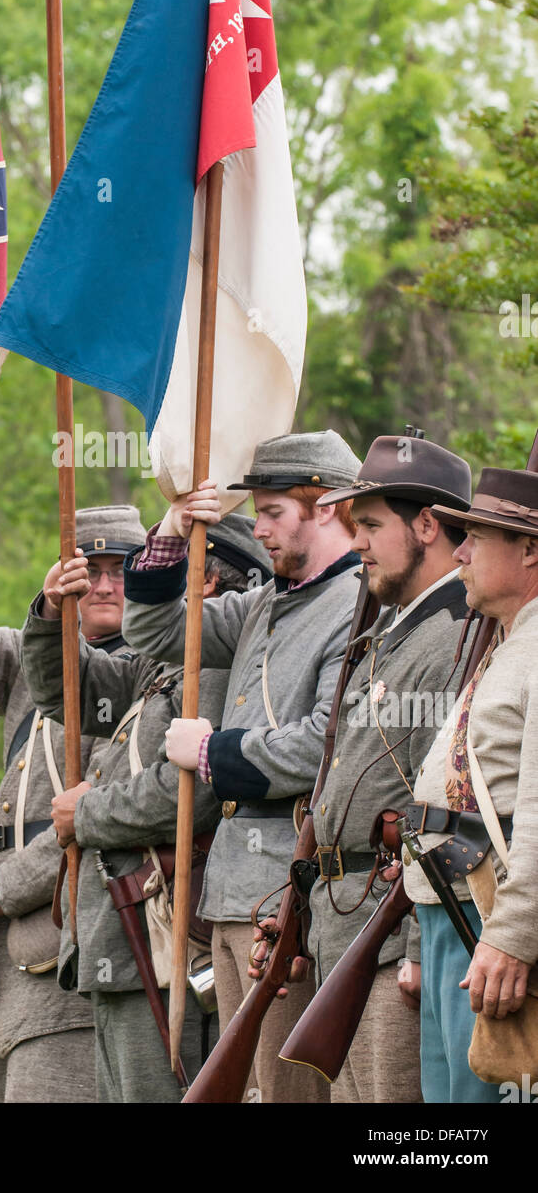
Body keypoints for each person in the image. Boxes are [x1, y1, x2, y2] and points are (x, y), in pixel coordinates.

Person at [124, 431, 362, 1102]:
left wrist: (209, 752)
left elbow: (323, 740)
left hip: (290, 890)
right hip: (232, 888)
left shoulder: (358, 604)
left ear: (327, 507)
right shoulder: (265, 602)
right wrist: (170, 534)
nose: (256, 529)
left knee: (287, 1092)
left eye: (271, 512)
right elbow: (155, 632)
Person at [21, 514, 271, 1102]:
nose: (135, 593)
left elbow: (192, 790)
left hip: (166, 934)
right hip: (128, 933)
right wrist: (52, 613)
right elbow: (66, 691)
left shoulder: (211, 667)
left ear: (206, 585)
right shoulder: (164, 664)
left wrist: (88, 814)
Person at [0, 504, 146, 1103]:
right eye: (91, 568)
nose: (106, 584)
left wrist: (7, 886)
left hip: (73, 944)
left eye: (123, 568)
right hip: (1, 963)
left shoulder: (154, 673)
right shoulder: (26, 660)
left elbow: (103, 808)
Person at [270, 435, 473, 1103]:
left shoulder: (450, 638)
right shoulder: (394, 633)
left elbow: (447, 810)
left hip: (390, 944)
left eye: (372, 525)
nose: (356, 542)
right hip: (345, 932)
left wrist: (418, 945)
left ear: (426, 525)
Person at [401, 465, 538, 1103]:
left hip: (491, 915)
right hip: (450, 909)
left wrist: (513, 935)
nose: (458, 552)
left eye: (477, 538)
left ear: (530, 549)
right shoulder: (509, 643)